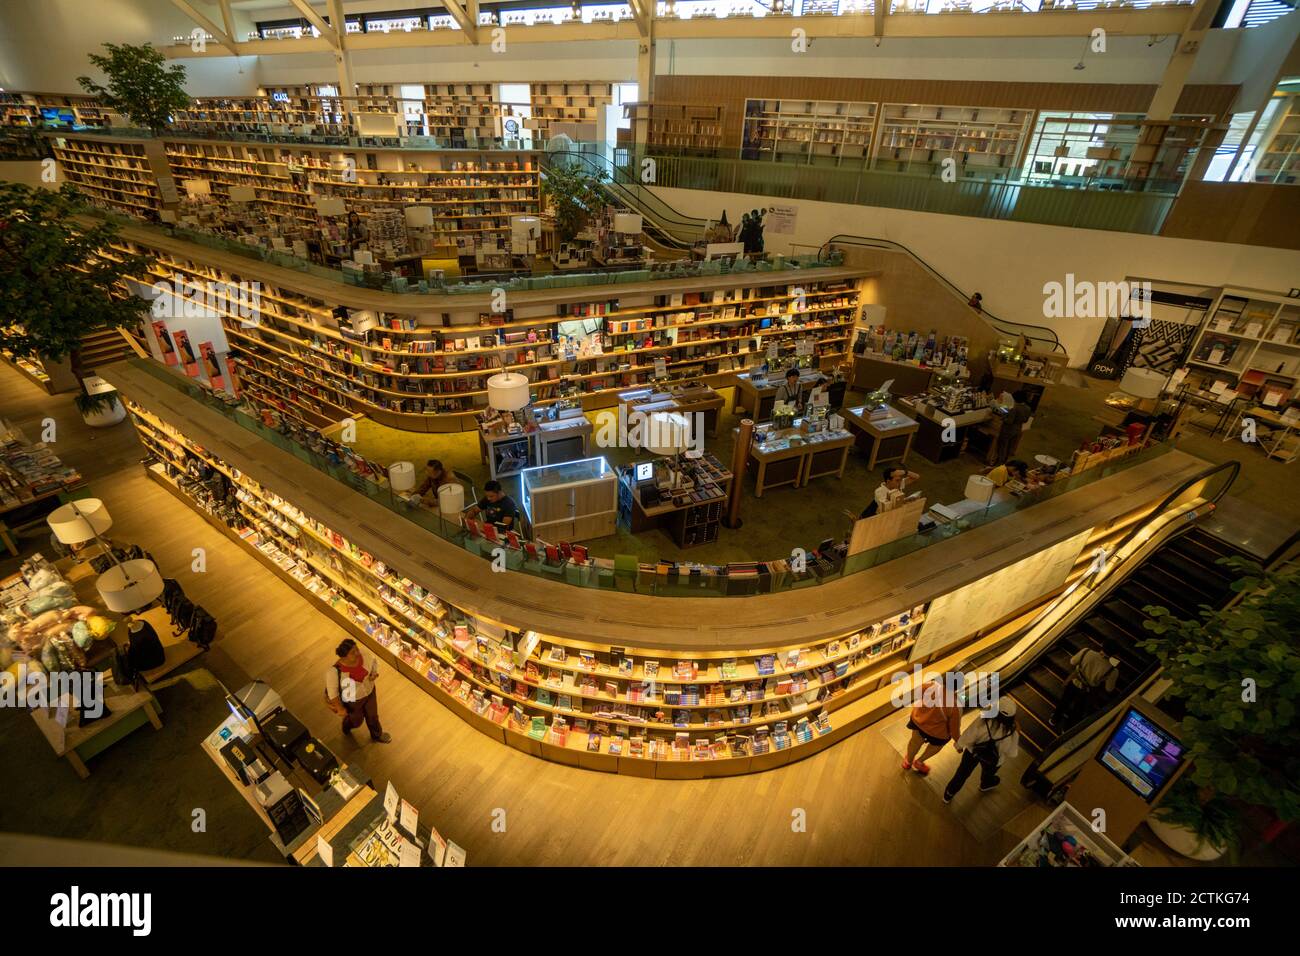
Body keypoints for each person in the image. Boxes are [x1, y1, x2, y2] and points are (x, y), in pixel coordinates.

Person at [943, 698, 1020, 802]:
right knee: (988, 774)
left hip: (973, 751)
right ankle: (985, 784)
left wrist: (959, 745)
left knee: (962, 773)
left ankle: (949, 794)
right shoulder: (1012, 730)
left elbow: (971, 733)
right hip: (994, 759)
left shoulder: (985, 718)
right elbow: (1011, 753)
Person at [325, 638, 392, 743]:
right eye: (352, 652)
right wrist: (340, 709)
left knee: (373, 716)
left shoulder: (364, 654)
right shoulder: (334, 672)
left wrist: (374, 672)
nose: (357, 653)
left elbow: (374, 662)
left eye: (356, 649)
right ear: (343, 657)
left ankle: (377, 735)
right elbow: (333, 694)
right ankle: (347, 725)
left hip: (370, 692)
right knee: (357, 721)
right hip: (352, 700)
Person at [902, 679, 963, 776]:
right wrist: (959, 744)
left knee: (914, 742)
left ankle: (908, 761)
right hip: (938, 734)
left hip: (919, 722)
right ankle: (919, 762)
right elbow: (954, 729)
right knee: (936, 747)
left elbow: (918, 692)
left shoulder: (930, 685)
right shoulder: (956, 705)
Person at [1052, 648, 1121, 728]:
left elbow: (1072, 661)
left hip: (1074, 682)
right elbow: (1109, 689)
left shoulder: (1087, 651)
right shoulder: (1113, 671)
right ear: (1114, 655)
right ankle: (1067, 727)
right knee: (1078, 709)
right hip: (1087, 691)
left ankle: (1055, 719)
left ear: (1102, 645)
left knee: (1064, 701)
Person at [994, 390, 1032, 465]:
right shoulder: (1028, 408)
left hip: (1008, 429)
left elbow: (1009, 421)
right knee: (1009, 448)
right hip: (1018, 429)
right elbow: (1025, 420)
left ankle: (999, 463)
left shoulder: (1014, 407)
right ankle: (1005, 462)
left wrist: (1003, 417)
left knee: (1002, 447)